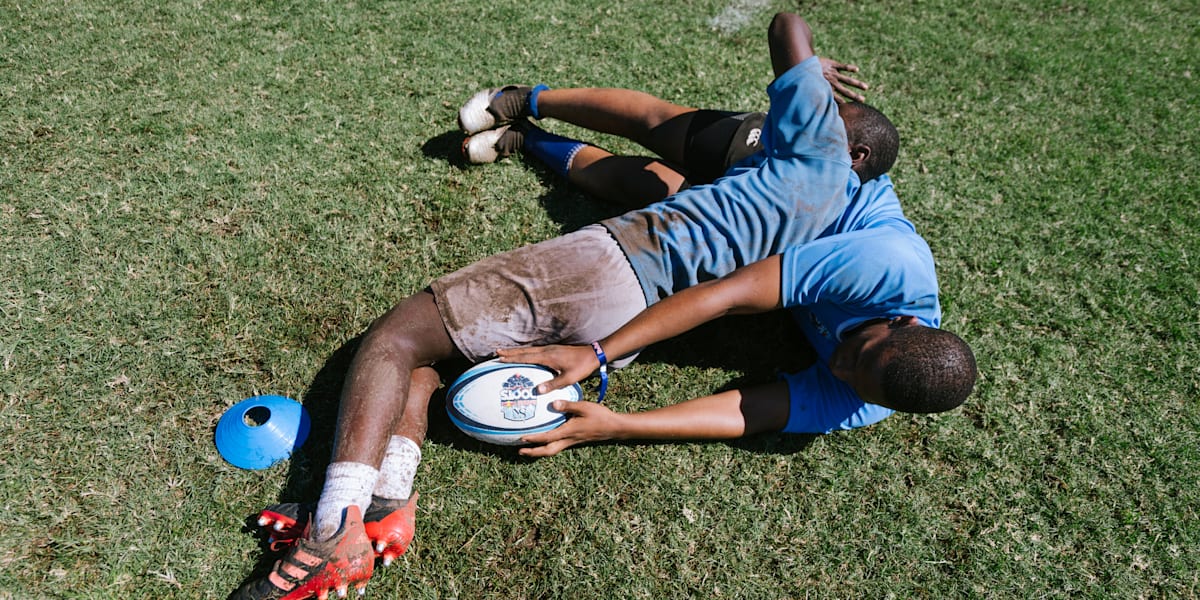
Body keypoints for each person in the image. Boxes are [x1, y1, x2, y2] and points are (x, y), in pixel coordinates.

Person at [231, 13, 975, 600]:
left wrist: (613, 405)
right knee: (661, 154)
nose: (837, 364)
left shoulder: (875, 354)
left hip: (623, 271)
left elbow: (741, 359)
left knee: (397, 338)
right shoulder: (872, 248)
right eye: (854, 352)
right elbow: (725, 283)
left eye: (852, 373)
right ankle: (387, 500)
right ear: (902, 322)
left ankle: (333, 529)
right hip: (660, 273)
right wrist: (810, 81)